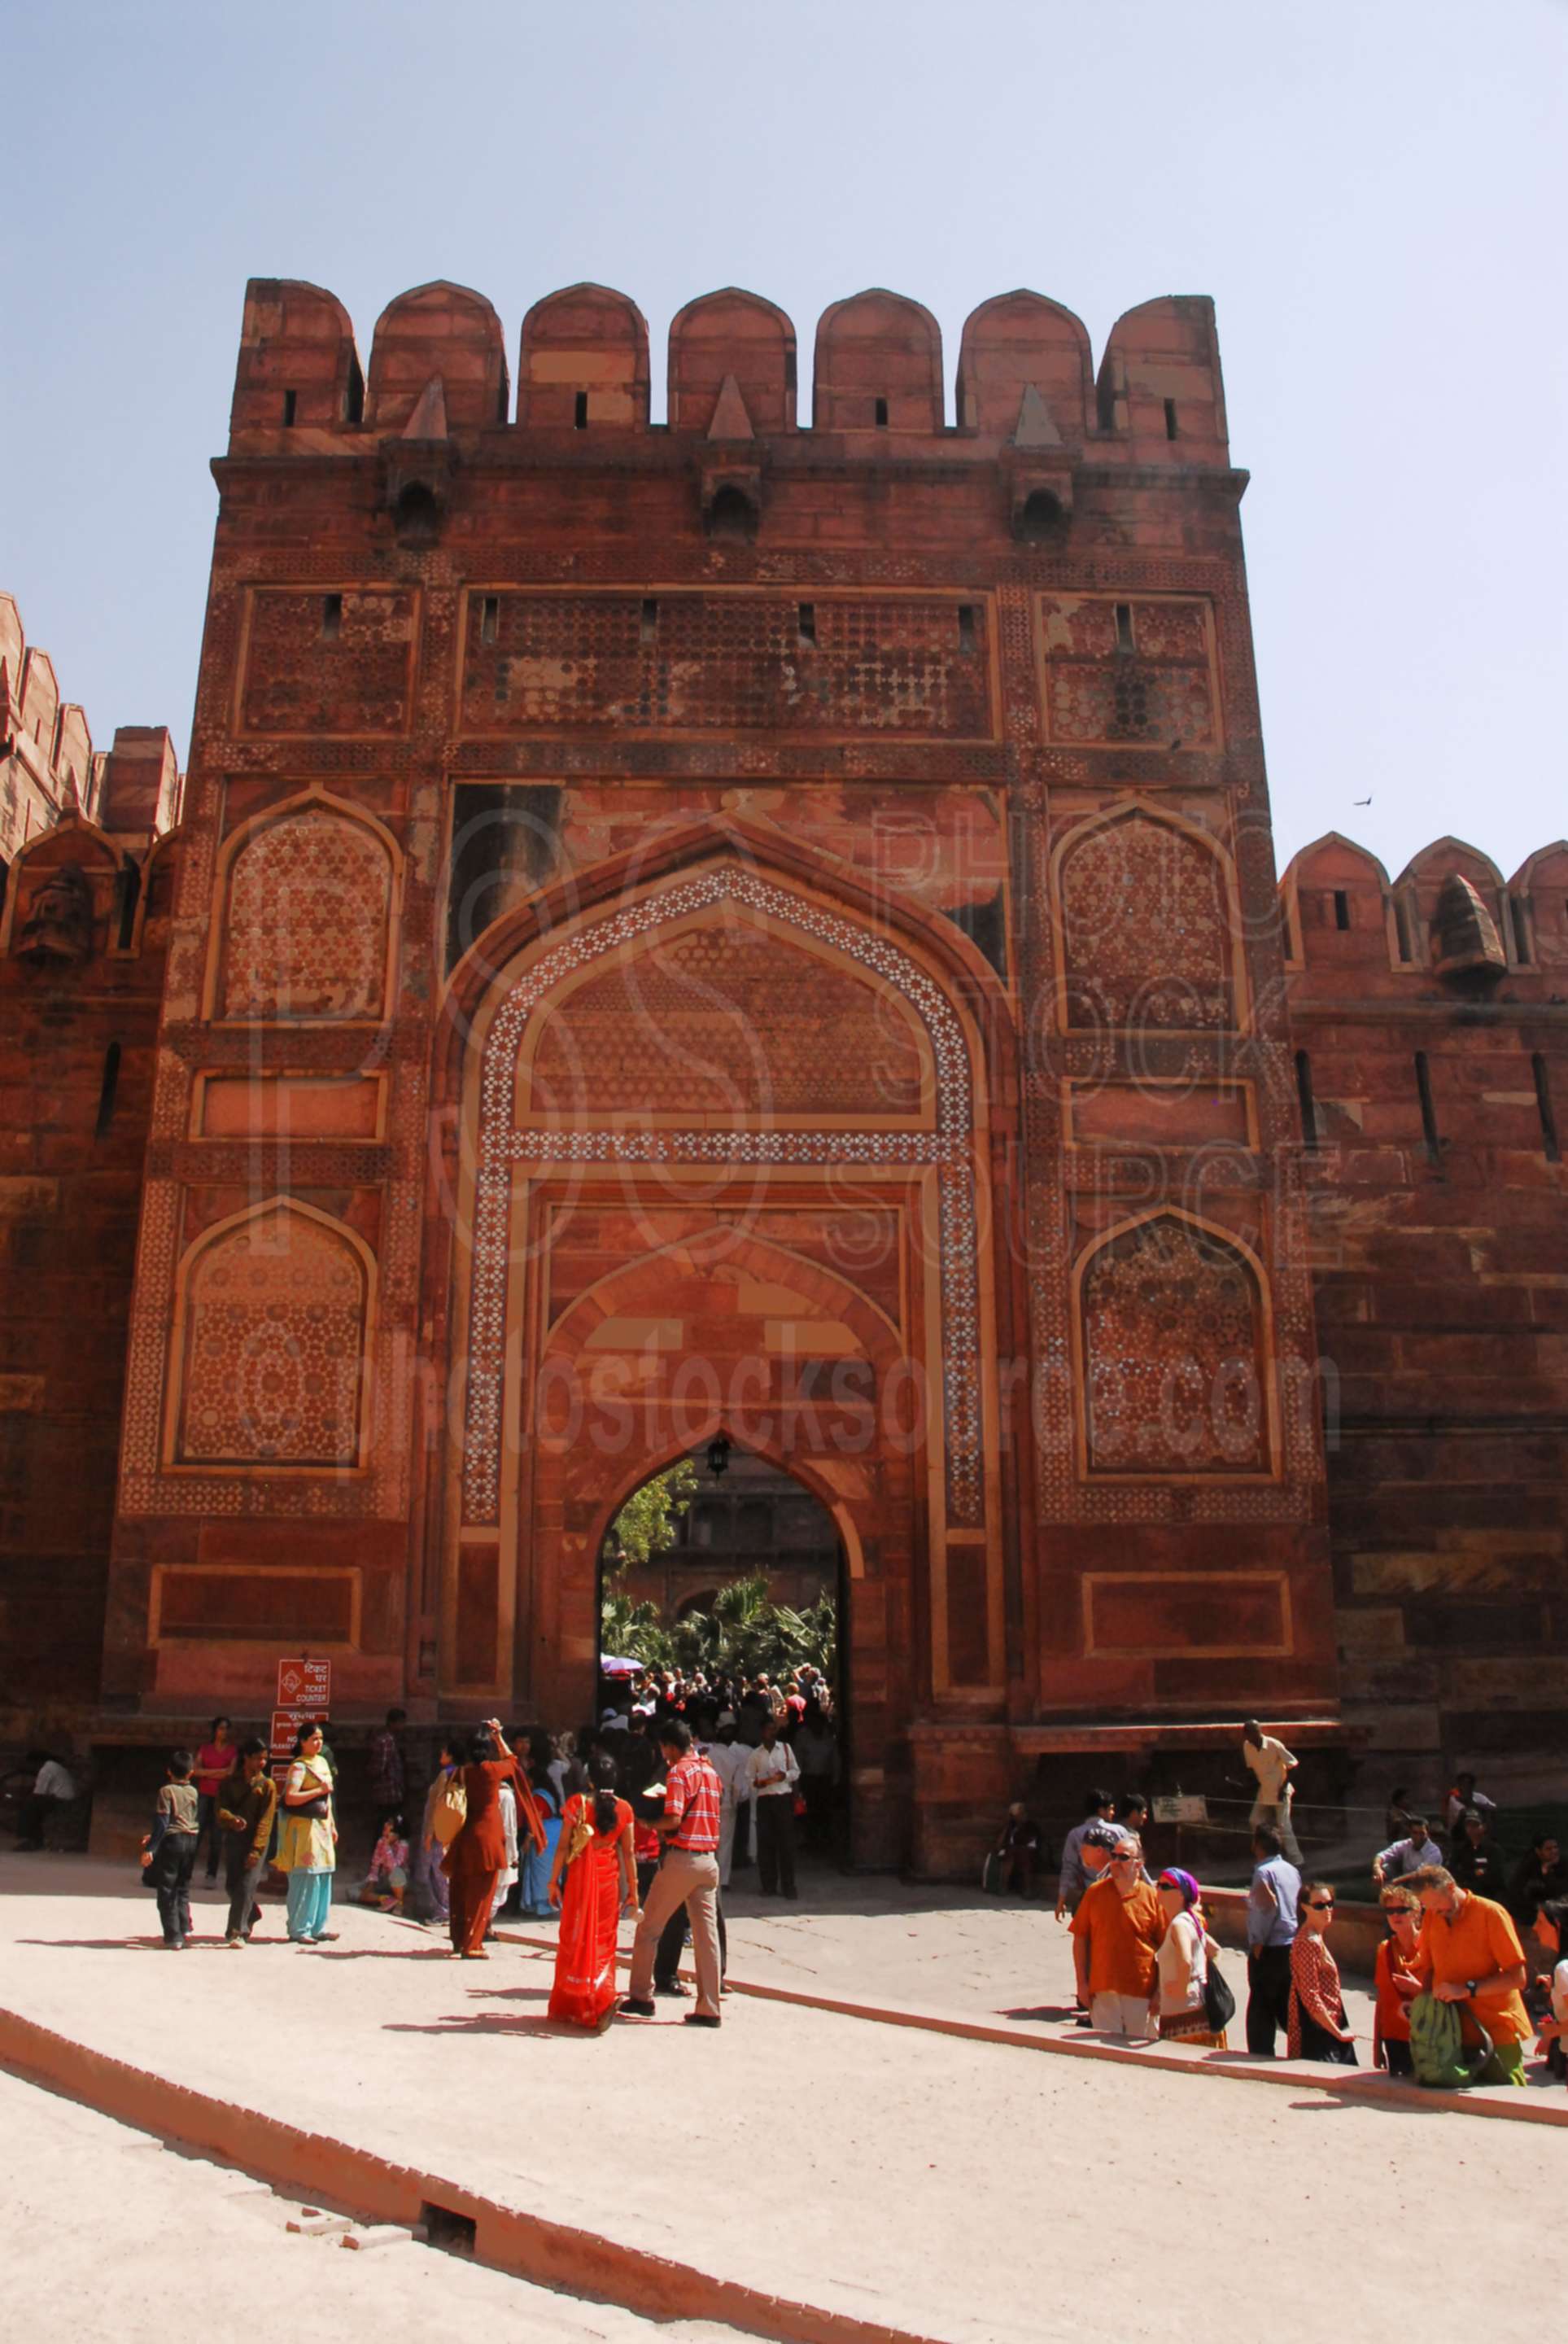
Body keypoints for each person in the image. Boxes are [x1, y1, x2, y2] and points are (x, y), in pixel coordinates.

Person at [622, 1721, 724, 2026]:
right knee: (707, 1938)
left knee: (649, 1927)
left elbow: (674, 1819)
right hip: (708, 1861)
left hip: (682, 1859)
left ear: (669, 1746)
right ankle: (709, 2008)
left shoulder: (679, 1772)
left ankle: (641, 1996)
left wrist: (649, 1824)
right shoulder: (710, 1772)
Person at [1408, 1862, 1532, 2087]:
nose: (1435, 1911)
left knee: (1507, 2095)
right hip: (1450, 2033)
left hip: (1496, 2031)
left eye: (1437, 1904)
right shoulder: (1433, 1916)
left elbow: (1518, 1978)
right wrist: (1420, 2006)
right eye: (1428, 1907)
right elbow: (1429, 1968)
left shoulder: (1491, 1914)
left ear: (1451, 1887)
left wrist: (1467, 1990)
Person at [548, 1752, 638, 2030]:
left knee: (575, 1935)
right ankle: (601, 1998)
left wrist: (553, 1882)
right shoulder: (625, 1809)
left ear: (590, 1780)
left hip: (579, 1881)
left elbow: (563, 1847)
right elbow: (629, 1853)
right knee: (603, 1940)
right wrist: (634, 1890)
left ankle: (573, 2001)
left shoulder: (578, 1805)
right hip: (608, 1881)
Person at [443, 1721, 544, 1961]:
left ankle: (458, 1939)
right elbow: (513, 1761)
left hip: (464, 1835)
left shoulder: (460, 1772)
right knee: (482, 1894)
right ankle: (473, 1944)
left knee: (461, 1889)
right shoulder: (492, 1770)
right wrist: (499, 1737)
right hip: (487, 1837)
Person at [1069, 1833, 1165, 2038]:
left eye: (1124, 1857)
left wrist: (1159, 1992)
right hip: (1103, 1988)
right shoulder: (1095, 1893)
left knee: (1136, 2051)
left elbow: (1166, 1948)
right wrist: (1082, 1984)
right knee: (1103, 2049)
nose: (1116, 1862)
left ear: (1138, 1864)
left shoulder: (1152, 1897)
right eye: (1113, 1856)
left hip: (1141, 1990)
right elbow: (1080, 1938)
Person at [277, 1721, 338, 1945]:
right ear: (302, 1742)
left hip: (322, 1827)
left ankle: (319, 1926)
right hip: (304, 1829)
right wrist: (318, 1790)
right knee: (305, 1876)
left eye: (320, 1738)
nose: (318, 1743)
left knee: (323, 1876)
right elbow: (291, 1797)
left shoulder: (322, 1762)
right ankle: (299, 1928)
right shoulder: (299, 1767)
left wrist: (332, 1825)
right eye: (314, 1739)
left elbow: (327, 1799)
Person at [1245, 1824, 1302, 2057]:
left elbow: (1266, 1909)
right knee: (1286, 2003)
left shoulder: (1263, 1872)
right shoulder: (1292, 1870)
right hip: (1290, 1946)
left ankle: (1260, 2055)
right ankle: (1302, 2050)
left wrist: (1258, 1942)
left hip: (1270, 1947)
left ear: (1257, 1845)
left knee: (1261, 2008)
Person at [216, 1735, 277, 1947]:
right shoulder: (229, 1783)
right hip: (234, 1838)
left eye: (265, 1758)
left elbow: (266, 1821)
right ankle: (251, 1913)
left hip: (256, 1840)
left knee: (246, 1884)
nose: (262, 1762)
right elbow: (219, 1808)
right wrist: (231, 1819)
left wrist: (257, 1850)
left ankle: (237, 1931)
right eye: (258, 1758)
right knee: (232, 1885)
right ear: (246, 1758)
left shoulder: (267, 1786)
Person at [1154, 1868, 1226, 2046]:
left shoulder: (1179, 1924)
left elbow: (1186, 1960)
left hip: (1183, 2013)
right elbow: (1215, 1950)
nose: (1159, 1889)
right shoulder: (1191, 1920)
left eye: (1165, 1886)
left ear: (1181, 1894)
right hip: (1195, 2006)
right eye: (1158, 1885)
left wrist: (1181, 1986)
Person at [1288, 1881, 1357, 2063]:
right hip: (1318, 2031)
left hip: (1328, 2024)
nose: (1327, 1910)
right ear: (1305, 1907)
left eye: (1330, 1904)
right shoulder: (1307, 1943)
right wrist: (1337, 2033)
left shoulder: (1316, 1937)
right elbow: (1310, 1996)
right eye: (1319, 1906)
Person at [144, 1749, 201, 1949]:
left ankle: (173, 1935)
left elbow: (163, 1822)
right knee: (183, 1886)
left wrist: (151, 1847)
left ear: (169, 1771)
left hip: (173, 1841)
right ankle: (185, 1928)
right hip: (192, 1840)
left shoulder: (166, 1791)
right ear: (191, 1773)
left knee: (167, 1888)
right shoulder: (193, 1792)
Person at [747, 1713, 801, 1898]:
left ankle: (789, 1886)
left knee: (786, 1844)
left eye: (774, 1729)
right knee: (766, 1844)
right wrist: (758, 1783)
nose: (772, 1733)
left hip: (783, 1798)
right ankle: (768, 1885)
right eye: (768, 1729)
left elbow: (796, 1771)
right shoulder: (755, 1754)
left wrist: (784, 1776)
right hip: (765, 1799)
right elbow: (749, 1778)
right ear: (762, 1732)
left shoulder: (785, 1749)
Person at [1371, 1884, 1422, 2077]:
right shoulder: (1384, 1949)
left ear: (1416, 1912)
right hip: (1393, 2035)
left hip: (1424, 2034)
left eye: (1401, 1910)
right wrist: (1377, 2045)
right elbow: (1382, 2000)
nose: (1395, 1916)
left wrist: (1419, 1990)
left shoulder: (1430, 1945)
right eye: (1390, 1911)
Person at [1241, 1719, 1302, 1864]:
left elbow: (1293, 1765)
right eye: (1250, 1733)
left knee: (1284, 1826)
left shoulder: (1274, 1744)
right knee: (1255, 1820)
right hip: (1265, 1790)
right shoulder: (1247, 1746)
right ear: (1247, 1735)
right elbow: (1252, 1769)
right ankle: (1266, 1854)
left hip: (1281, 1790)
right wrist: (1246, 1783)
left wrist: (1283, 1788)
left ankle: (1297, 1860)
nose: (1254, 1736)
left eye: (1256, 1732)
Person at [702, 1712, 750, 1887]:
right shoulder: (733, 1759)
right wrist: (735, 1801)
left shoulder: (707, 1755)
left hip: (707, 1803)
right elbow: (738, 1787)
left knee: (707, 1841)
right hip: (727, 1803)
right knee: (725, 1842)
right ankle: (722, 1880)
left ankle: (706, 1877)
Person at [1055, 1790, 1117, 1921]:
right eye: (1111, 1809)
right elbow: (1136, 1864)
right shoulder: (1119, 1832)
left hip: (1088, 1894)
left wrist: (1061, 1899)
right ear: (1101, 1810)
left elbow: (1068, 1868)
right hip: (1117, 1894)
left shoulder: (1075, 1834)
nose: (1113, 1812)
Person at [519, 1731, 563, 1919]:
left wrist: (527, 1841)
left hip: (542, 1840)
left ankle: (543, 1909)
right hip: (553, 1837)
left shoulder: (537, 1796)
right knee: (551, 1873)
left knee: (541, 1874)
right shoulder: (549, 1792)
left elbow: (535, 1821)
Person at [417, 1734, 459, 1926]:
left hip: (437, 1832)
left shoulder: (446, 1775)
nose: (441, 1754)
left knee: (436, 1871)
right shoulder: (460, 1773)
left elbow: (437, 1805)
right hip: (450, 1829)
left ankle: (443, 1910)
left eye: (444, 1752)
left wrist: (429, 1832)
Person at [193, 1716, 234, 1885]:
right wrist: (219, 1772)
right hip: (204, 1794)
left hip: (221, 1796)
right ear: (215, 1730)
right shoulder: (205, 1748)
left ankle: (211, 1874)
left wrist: (208, 1772)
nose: (224, 1732)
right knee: (197, 1832)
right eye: (221, 1728)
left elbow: (230, 1772)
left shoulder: (232, 1750)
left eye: (226, 1729)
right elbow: (196, 1770)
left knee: (217, 1837)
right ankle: (186, 1872)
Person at [1530, 1897, 1568, 2079]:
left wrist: (1552, 2031)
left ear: (1557, 1925)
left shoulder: (1563, 1969)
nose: (1535, 1928)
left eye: (1541, 1922)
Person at [14, 1748, 78, 1851]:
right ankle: (36, 1840)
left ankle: (28, 1839)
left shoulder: (46, 1770)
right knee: (34, 1806)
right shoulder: (54, 1766)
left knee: (29, 1806)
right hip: (66, 1799)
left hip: (61, 1800)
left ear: (35, 1762)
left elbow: (38, 1793)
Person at [793, 1706, 837, 1855]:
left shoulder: (829, 1736)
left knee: (824, 1811)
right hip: (809, 1778)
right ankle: (811, 1841)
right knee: (810, 1811)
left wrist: (836, 1779)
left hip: (825, 1778)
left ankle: (824, 1841)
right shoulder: (803, 1736)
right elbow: (798, 1759)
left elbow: (835, 1759)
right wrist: (797, 1783)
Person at [1448, 1807, 1510, 1902]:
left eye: (1475, 1825)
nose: (1471, 1829)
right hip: (1465, 1895)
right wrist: (1474, 1873)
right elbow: (1452, 1871)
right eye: (1468, 1825)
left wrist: (1470, 1874)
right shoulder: (1460, 1849)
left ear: (1484, 1827)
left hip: (1488, 1897)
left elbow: (1495, 1877)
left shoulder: (1494, 1850)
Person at [1509, 1833, 1568, 1931]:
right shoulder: (1528, 1865)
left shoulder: (1564, 1863)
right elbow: (1517, 1891)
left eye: (1555, 1847)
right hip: (1532, 1912)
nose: (1554, 1851)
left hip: (1558, 1908)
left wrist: (1546, 1873)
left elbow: (1560, 1890)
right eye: (1548, 1849)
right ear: (1538, 1851)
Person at [1372, 1814, 1443, 1886]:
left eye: (1422, 1833)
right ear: (1410, 1833)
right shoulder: (1407, 1844)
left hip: (1426, 1886)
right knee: (1385, 1868)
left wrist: (1394, 1883)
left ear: (1428, 1834)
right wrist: (1377, 1869)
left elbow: (1420, 1874)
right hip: (1405, 1883)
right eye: (1415, 1833)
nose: (1418, 1836)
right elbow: (1381, 1855)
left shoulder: (1434, 1852)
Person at [360, 1813, 410, 1913]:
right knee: (354, 1892)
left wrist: (387, 1846)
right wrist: (372, 1882)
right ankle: (387, 1899)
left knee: (396, 1873)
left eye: (389, 1833)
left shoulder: (403, 1845)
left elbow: (394, 1866)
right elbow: (375, 1865)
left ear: (397, 1835)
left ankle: (399, 1903)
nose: (385, 1834)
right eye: (384, 1831)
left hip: (399, 1883)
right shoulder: (380, 1842)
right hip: (383, 1879)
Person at [994, 1804, 1042, 1898]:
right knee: (1010, 1857)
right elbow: (999, 1845)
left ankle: (1028, 1890)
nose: (1022, 1816)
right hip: (1011, 1853)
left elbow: (1033, 1844)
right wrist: (1007, 1827)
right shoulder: (1011, 1827)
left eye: (1023, 1813)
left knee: (1024, 1856)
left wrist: (1019, 1848)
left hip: (1027, 1852)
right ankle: (1003, 1886)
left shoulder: (1031, 1826)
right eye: (1019, 1814)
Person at [366, 1708, 407, 1814]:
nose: (403, 1726)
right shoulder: (386, 1741)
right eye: (401, 1723)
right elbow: (379, 1767)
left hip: (391, 1789)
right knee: (388, 1818)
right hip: (387, 1790)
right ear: (392, 1723)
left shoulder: (390, 1739)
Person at [1444, 1771, 1497, 1835]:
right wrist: (1480, 1808)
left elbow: (1493, 1808)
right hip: (1458, 1834)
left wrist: (1470, 1803)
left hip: (1478, 1831)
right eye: (1461, 1784)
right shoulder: (1454, 1798)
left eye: (1468, 1784)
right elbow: (1464, 1813)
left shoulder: (1478, 1796)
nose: (1464, 1787)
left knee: (1488, 1814)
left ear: (1472, 1786)